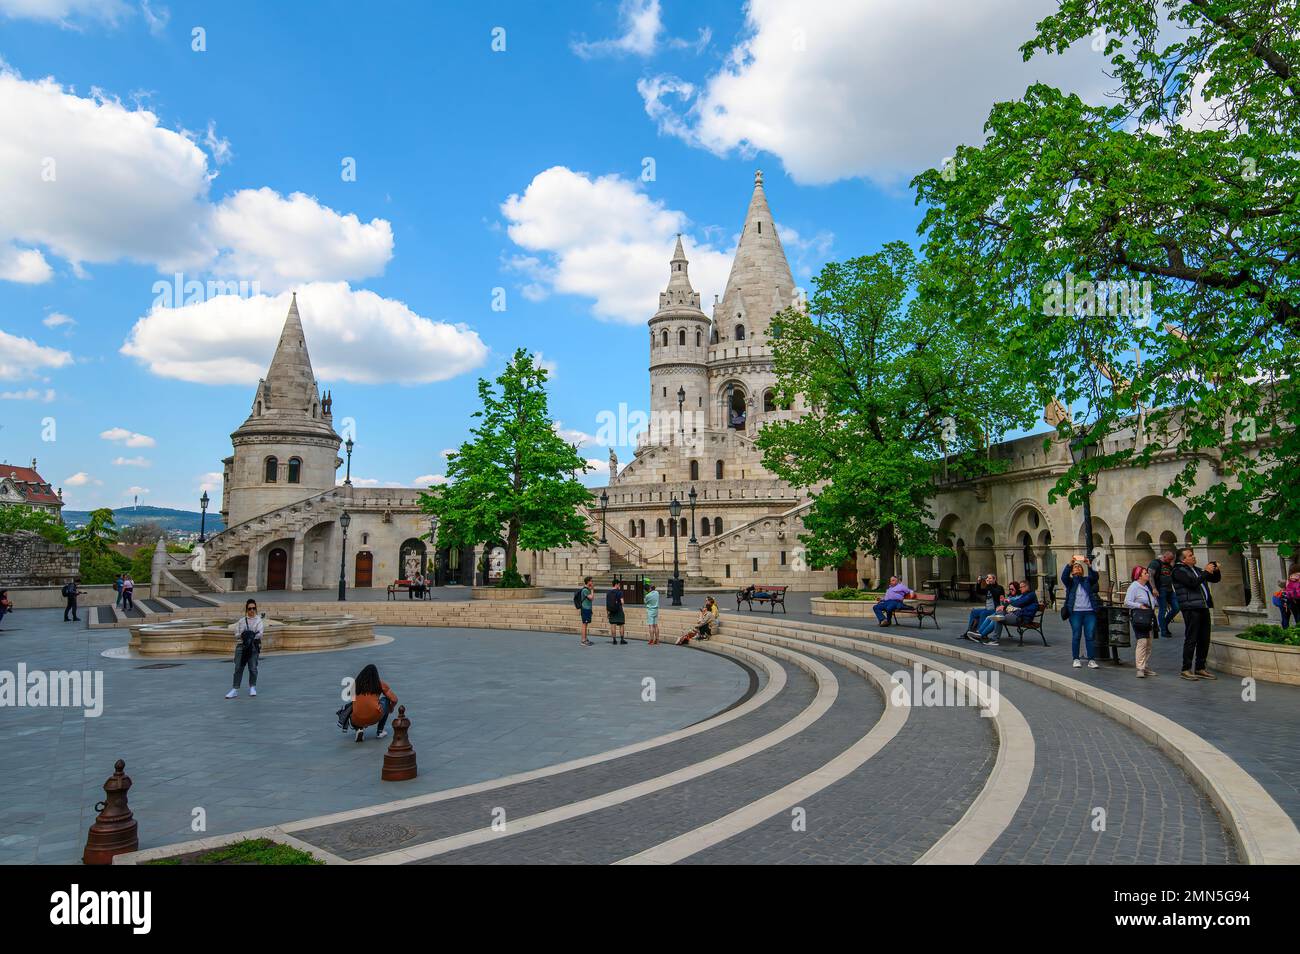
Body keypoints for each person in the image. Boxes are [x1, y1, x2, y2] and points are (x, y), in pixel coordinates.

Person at [1171, 548, 1222, 681]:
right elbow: (1192, 583)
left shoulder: (1196, 569)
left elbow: (1215, 579)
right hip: (1190, 608)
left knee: (1204, 638)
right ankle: (1186, 669)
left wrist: (1215, 570)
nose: (1193, 557)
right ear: (1183, 559)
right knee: (1192, 638)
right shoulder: (1178, 571)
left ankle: (1200, 668)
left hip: (1203, 606)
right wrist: (1206, 572)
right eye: (1190, 555)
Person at [1061, 556, 1101, 669]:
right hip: (1075, 613)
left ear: (1082, 571)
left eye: (1079, 567)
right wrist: (1070, 564)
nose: (1077, 568)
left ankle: (1091, 660)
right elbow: (1063, 577)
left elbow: (1095, 577)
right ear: (1072, 571)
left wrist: (1089, 565)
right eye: (1075, 567)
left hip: (1089, 612)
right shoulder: (1070, 582)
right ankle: (1076, 659)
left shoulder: (1087, 580)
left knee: (1089, 636)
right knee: (1076, 635)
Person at [973, 580, 1038, 646]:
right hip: (1018, 614)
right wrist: (1004, 607)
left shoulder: (1031, 595)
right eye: (1020, 587)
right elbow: (1017, 602)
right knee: (998, 614)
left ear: (1026, 587)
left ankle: (991, 639)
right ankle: (980, 633)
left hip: (1023, 617)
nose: (1020, 589)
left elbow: (1019, 603)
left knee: (998, 618)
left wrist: (1004, 606)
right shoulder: (1025, 595)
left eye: (1021, 587)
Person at [348, 663, 398, 742]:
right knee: (386, 700)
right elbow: (394, 699)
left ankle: (359, 729)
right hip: (374, 716)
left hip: (356, 719)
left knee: (351, 706)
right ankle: (380, 732)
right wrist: (391, 708)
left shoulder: (355, 685)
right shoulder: (379, 684)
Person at [1125, 565, 1159, 678]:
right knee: (1142, 641)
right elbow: (1127, 602)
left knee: (1149, 643)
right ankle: (1140, 668)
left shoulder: (1145, 586)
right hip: (1139, 616)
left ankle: (1144, 666)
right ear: (1139, 575)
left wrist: (1154, 600)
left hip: (1148, 616)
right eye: (1145, 573)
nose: (1148, 575)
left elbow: (1151, 601)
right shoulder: (1134, 587)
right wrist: (1139, 605)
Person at [226, 599, 263, 698]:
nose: (252, 610)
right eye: (250, 608)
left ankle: (252, 687)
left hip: (253, 647)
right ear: (247, 609)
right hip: (241, 646)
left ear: (256, 609)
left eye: (254, 608)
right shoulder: (242, 621)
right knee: (238, 668)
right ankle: (235, 689)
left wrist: (249, 636)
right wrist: (245, 635)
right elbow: (237, 634)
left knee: (253, 668)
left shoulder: (258, 620)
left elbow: (260, 634)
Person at [1147, 550, 1178, 639]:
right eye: (1169, 559)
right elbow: (1150, 576)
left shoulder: (1169, 564)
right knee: (1163, 609)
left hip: (1170, 589)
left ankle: (1163, 624)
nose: (1170, 561)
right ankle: (1164, 631)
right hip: (1161, 589)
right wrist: (1154, 588)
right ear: (1164, 557)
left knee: (1176, 607)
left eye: (1172, 560)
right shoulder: (1155, 563)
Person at [963, 574, 1004, 640]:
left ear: (994, 579)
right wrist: (979, 582)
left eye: (990, 578)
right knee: (974, 611)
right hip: (987, 609)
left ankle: (979, 633)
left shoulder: (999, 588)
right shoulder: (988, 587)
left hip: (995, 609)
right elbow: (979, 592)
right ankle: (969, 631)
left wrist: (989, 585)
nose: (988, 580)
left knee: (983, 613)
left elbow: (996, 594)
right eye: (987, 578)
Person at [577, 576, 595, 646]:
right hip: (585, 609)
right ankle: (583, 640)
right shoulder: (585, 590)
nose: (592, 582)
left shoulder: (587, 589)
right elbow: (591, 598)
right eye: (591, 581)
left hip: (587, 609)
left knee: (586, 624)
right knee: (584, 624)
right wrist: (592, 590)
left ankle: (585, 639)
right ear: (588, 582)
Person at [644, 580, 660, 645]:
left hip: (650, 610)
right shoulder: (657, 593)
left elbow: (645, 602)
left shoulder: (647, 596)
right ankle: (657, 639)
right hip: (656, 610)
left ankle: (651, 639)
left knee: (651, 625)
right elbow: (654, 587)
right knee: (656, 625)